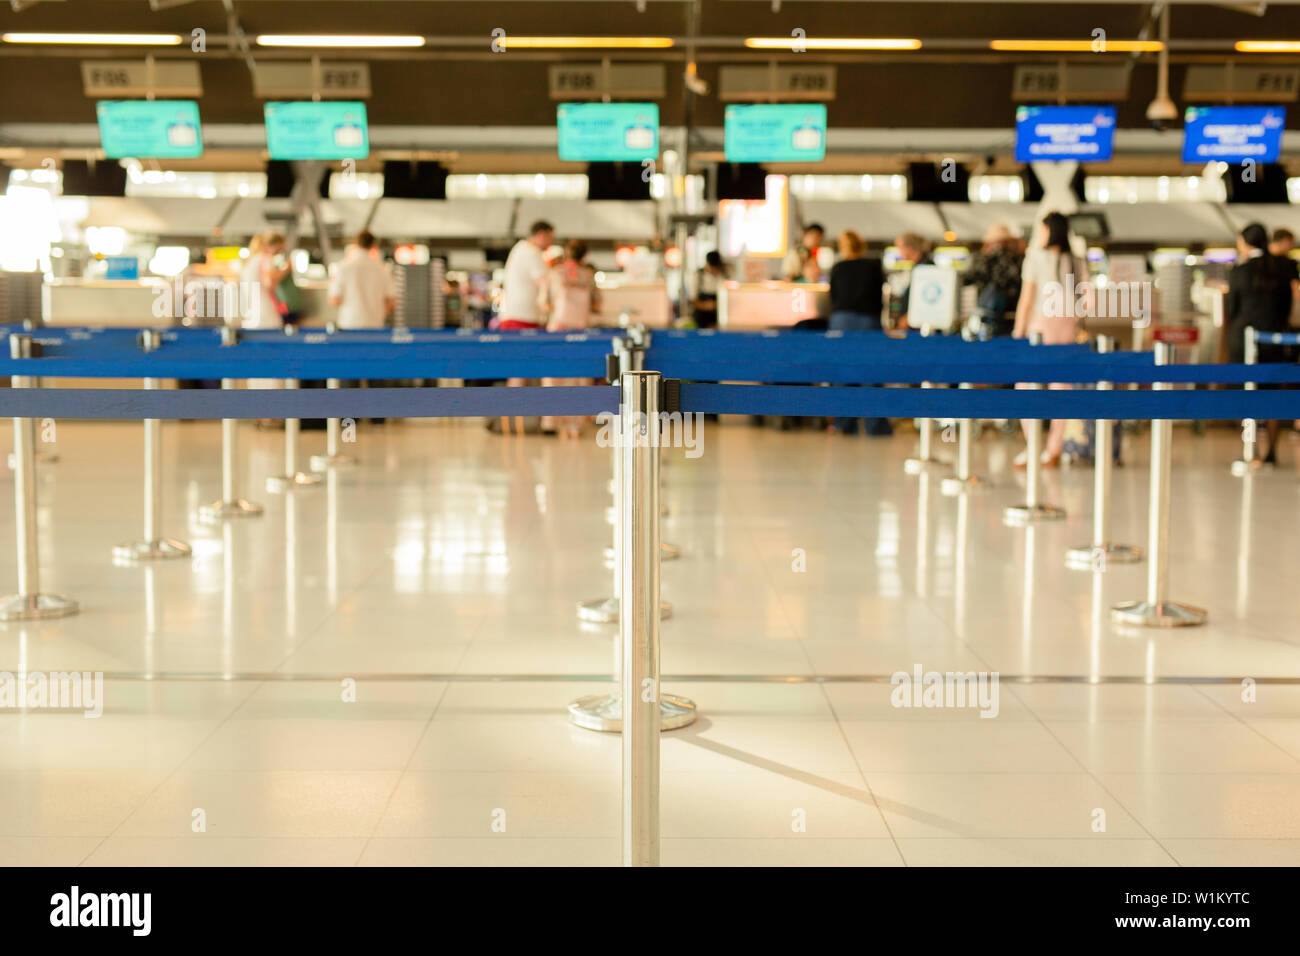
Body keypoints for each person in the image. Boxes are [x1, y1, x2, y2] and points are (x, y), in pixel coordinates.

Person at [1012, 211, 1089, 469]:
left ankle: (1032, 444)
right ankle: (1053, 449)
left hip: (1039, 326)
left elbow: (1027, 298)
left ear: (1048, 230)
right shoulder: (1078, 260)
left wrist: (1018, 332)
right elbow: (1088, 300)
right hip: (1067, 325)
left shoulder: (1034, 257)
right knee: (1062, 387)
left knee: (1026, 384)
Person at [1227, 222, 1296, 464]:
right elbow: (1287, 306)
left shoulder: (1239, 272)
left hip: (1244, 343)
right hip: (1276, 341)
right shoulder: (1283, 268)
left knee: (1244, 396)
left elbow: (1232, 310)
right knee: (1273, 396)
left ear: (1245, 243)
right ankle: (1271, 453)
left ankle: (1250, 451)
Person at [828, 229, 890, 436]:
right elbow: (880, 296)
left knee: (842, 373)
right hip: (867, 320)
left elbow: (833, 297)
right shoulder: (873, 266)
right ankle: (875, 426)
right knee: (871, 374)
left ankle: (843, 424)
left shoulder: (838, 267)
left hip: (841, 320)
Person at [539, 238, 601, 438]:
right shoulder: (589, 276)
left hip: (557, 329)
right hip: (581, 332)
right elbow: (597, 305)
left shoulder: (554, 273)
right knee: (579, 377)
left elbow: (544, 304)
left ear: (566, 252)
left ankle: (553, 422)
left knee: (554, 375)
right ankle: (575, 425)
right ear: (585, 255)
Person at [963, 223, 1023, 339]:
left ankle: (980, 320)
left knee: (994, 290)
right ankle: (982, 319)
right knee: (993, 290)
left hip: (1005, 300)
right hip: (998, 302)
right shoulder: (1014, 257)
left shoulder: (1012, 258)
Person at [328, 230, 396, 329]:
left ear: (355, 243)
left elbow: (334, 300)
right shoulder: (383, 269)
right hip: (374, 325)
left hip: (349, 324)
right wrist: (377, 312)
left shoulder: (342, 268)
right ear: (373, 245)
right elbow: (391, 302)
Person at [498, 219, 555, 331]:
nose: (551, 243)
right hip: (523, 318)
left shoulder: (520, 248)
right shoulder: (532, 252)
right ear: (541, 235)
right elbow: (545, 284)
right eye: (550, 238)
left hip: (513, 316)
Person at [892, 232, 933, 328]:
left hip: (917, 323)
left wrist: (908, 316)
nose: (899, 252)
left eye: (900, 248)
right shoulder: (920, 266)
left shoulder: (925, 268)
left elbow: (925, 297)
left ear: (909, 248)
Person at [691, 251, 728, 329]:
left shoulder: (723, 275)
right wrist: (706, 306)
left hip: (719, 315)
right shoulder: (697, 275)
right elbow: (693, 300)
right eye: (711, 267)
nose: (713, 270)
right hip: (701, 316)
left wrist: (717, 305)